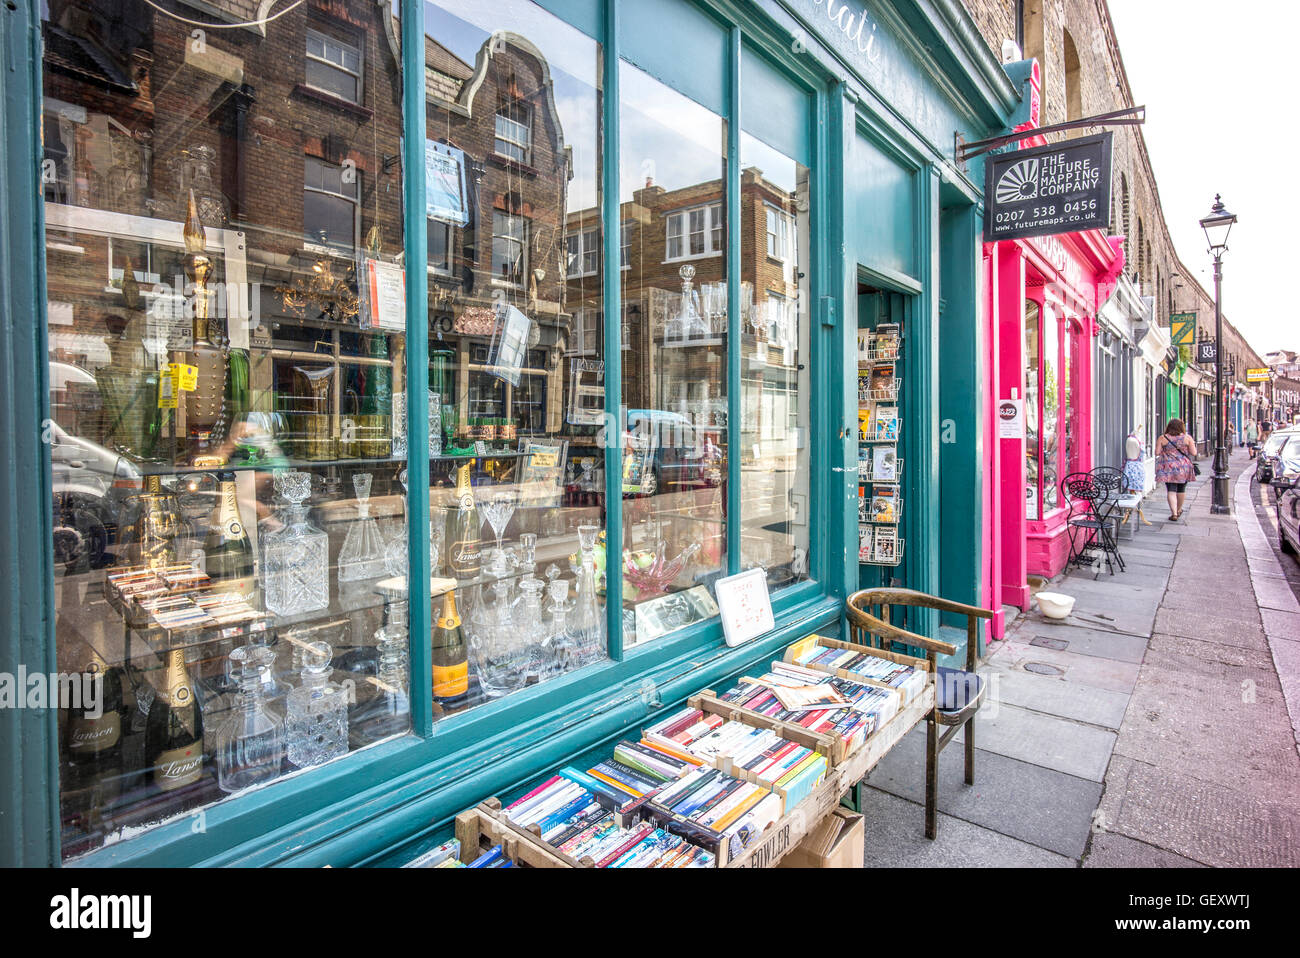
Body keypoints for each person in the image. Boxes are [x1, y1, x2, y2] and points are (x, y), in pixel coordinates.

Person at [1155, 418, 1198, 521]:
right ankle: (1178, 510)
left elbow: (1157, 452)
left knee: (1171, 490)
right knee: (1181, 489)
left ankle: (1174, 513)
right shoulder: (1187, 438)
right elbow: (1194, 453)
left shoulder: (1163, 438)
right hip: (1184, 467)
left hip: (1168, 467)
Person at [1121, 425, 1152, 526]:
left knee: (1134, 491)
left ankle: (1131, 511)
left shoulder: (1135, 439)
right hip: (1133, 468)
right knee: (1132, 490)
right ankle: (1129, 511)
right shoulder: (1131, 440)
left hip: (1137, 468)